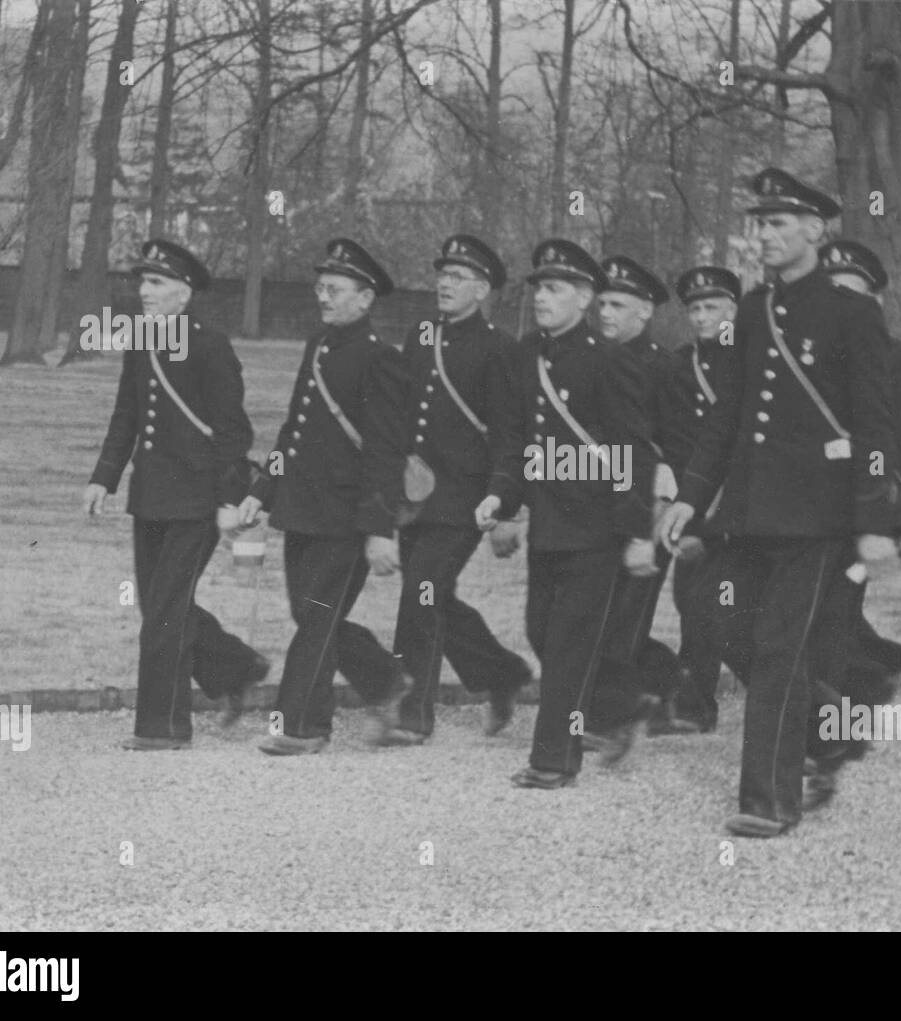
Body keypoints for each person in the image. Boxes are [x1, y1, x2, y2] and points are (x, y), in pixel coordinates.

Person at [656, 168, 900, 838]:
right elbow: (725, 418)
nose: (762, 235)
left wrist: (876, 517)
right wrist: (690, 496)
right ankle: (832, 726)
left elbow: (876, 424)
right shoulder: (750, 314)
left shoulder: (852, 312)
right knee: (717, 618)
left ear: (816, 231)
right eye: (758, 223)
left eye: (777, 223)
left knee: (780, 646)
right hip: (748, 514)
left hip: (819, 518)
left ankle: (769, 798)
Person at [475, 239, 658, 789]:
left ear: (585, 298)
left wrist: (636, 530)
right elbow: (513, 439)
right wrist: (500, 498)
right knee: (541, 632)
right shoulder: (523, 354)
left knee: (569, 641)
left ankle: (553, 759)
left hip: (597, 524)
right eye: (538, 288)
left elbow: (633, 450)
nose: (542, 298)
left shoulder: (609, 360)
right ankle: (618, 707)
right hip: (549, 523)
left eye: (555, 289)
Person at [85, 239, 268, 750]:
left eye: (156, 282)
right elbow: (127, 414)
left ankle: (163, 728)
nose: (144, 291)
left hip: (196, 502)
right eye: (142, 281)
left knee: (165, 611)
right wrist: (104, 476)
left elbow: (235, 434)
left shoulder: (210, 345)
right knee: (161, 606)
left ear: (184, 293)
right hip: (149, 497)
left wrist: (221, 496)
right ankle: (237, 668)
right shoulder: (141, 339)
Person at [237, 238, 413, 755]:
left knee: (316, 618)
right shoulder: (318, 346)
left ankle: (302, 725)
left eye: (335, 289)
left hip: (347, 517)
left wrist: (380, 529)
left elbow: (385, 452)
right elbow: (293, 429)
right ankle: (384, 680)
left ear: (365, 298)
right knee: (308, 612)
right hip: (300, 507)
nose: (324, 297)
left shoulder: (381, 360)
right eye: (321, 287)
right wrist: (264, 490)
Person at [374, 234, 534, 746]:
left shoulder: (500, 349)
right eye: (442, 274)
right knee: (430, 594)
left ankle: (412, 712)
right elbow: (403, 409)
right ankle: (501, 672)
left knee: (421, 594)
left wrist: (509, 507)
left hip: (466, 499)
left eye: (458, 276)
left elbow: (512, 435)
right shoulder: (422, 335)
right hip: (415, 494)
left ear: (483, 289)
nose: (444, 283)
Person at [583, 254, 694, 761]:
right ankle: (668, 680)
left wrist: (659, 516)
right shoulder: (589, 359)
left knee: (625, 616)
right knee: (600, 613)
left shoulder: (665, 368)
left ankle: (611, 720)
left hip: (652, 508)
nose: (605, 312)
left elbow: (678, 447)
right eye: (601, 302)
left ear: (644, 312)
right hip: (598, 506)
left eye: (617, 304)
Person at [819, 239, 901, 706]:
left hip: (860, 505)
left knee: (833, 605)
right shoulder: (797, 355)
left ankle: (829, 728)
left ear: (876, 303)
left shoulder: (899, 362)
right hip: (795, 502)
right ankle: (876, 661)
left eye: (851, 293)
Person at [653, 265, 742, 736]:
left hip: (746, 504)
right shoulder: (678, 366)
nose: (703, 317)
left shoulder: (754, 361)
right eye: (696, 308)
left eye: (714, 307)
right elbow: (671, 439)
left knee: (723, 607)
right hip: (694, 501)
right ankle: (695, 704)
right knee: (693, 600)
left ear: (735, 311)